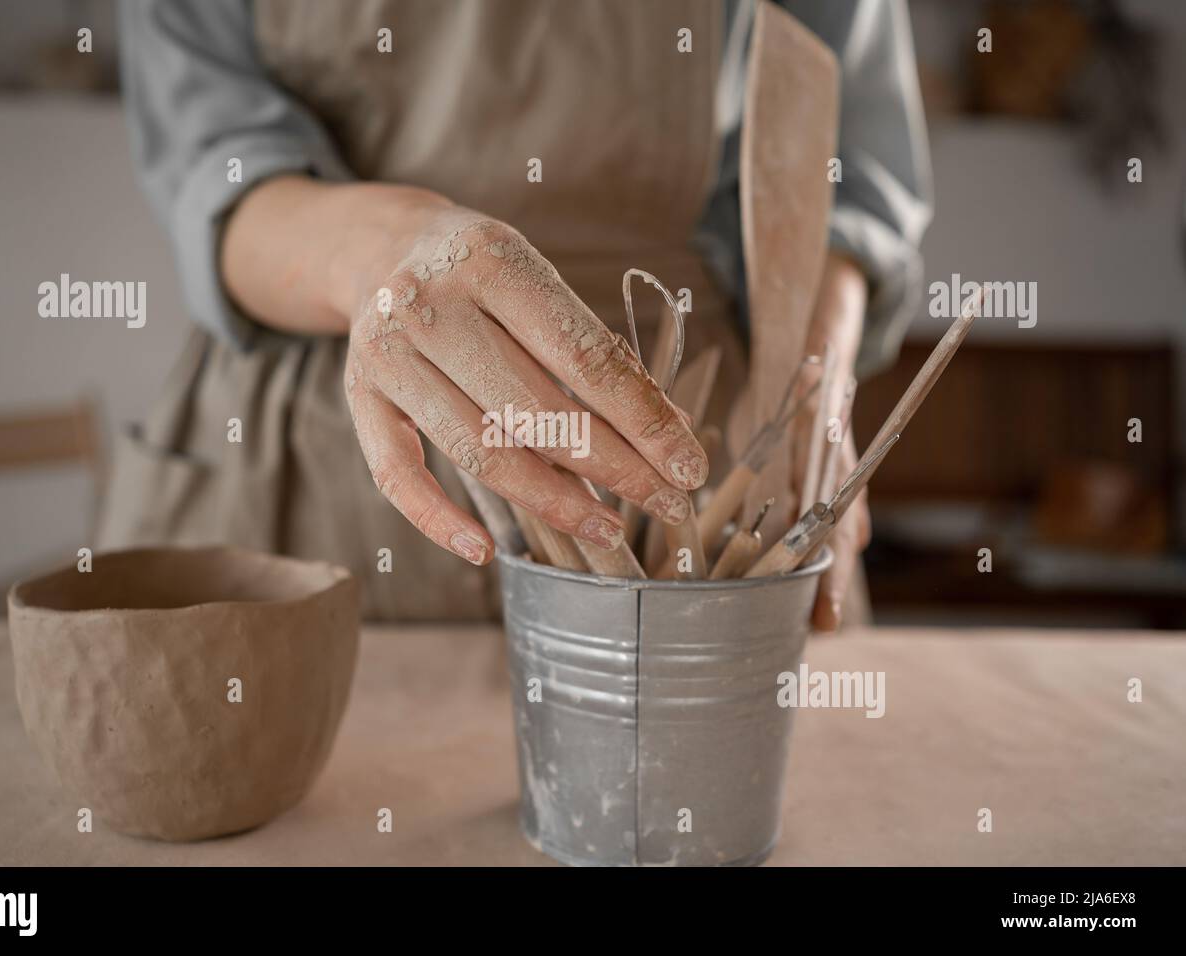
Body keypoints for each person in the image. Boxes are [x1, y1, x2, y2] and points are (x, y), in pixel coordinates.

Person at [104, 0, 932, 626]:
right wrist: (383, 253)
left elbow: (846, 169)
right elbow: (214, 163)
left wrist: (807, 384)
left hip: (701, 432)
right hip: (324, 450)